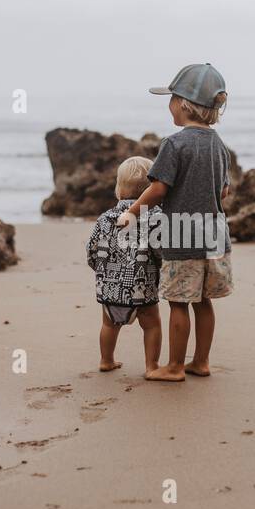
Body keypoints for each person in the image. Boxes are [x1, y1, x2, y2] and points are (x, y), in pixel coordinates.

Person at [118, 63, 233, 382]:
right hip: (214, 235)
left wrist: (133, 211)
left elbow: (159, 188)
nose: (168, 105)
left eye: (170, 98)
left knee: (179, 302)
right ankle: (201, 362)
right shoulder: (218, 145)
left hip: (182, 234)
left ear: (183, 104)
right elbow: (223, 190)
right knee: (204, 301)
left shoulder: (175, 144)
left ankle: (175, 367)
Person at [85, 156, 163, 374]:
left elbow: (91, 250)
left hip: (110, 286)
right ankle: (151, 366)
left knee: (109, 325)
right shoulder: (155, 216)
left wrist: (101, 270)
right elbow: (160, 251)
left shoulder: (105, 218)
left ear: (118, 188)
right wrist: (161, 270)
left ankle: (106, 360)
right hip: (142, 285)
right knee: (151, 325)